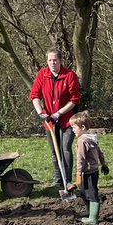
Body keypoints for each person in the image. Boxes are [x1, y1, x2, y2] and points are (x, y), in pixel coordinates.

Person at [29, 49, 82, 192]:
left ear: (60, 61)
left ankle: (68, 181)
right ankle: (58, 180)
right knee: (55, 151)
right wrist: (41, 112)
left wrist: (59, 113)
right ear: (47, 61)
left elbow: (75, 99)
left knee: (65, 149)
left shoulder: (69, 76)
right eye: (50, 60)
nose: (52, 63)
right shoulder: (42, 74)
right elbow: (34, 95)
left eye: (55, 60)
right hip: (49, 119)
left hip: (67, 118)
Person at [68, 112, 108, 225]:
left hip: (87, 172)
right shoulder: (92, 138)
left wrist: (78, 175)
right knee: (84, 193)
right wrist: (103, 164)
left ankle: (93, 218)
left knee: (91, 193)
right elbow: (100, 153)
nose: (72, 130)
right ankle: (90, 212)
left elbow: (81, 159)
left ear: (83, 127)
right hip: (94, 171)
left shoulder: (82, 141)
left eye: (74, 127)